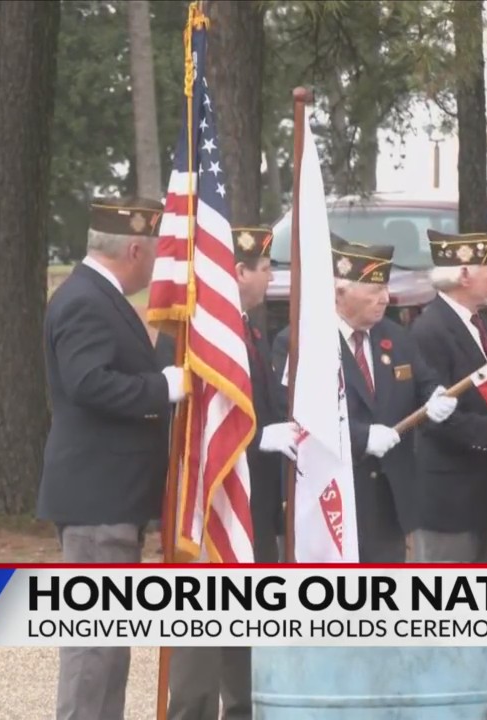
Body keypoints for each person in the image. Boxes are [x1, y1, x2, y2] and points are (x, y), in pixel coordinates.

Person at [37, 196, 184, 720]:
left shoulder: (99, 296)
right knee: (93, 644)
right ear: (136, 249)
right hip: (96, 497)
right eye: (155, 254)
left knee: (109, 642)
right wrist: (158, 388)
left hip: (109, 496)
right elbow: (87, 382)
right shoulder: (86, 300)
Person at [156, 226, 298, 720]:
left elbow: (261, 403)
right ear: (237, 271)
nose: (272, 276)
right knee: (200, 635)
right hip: (208, 502)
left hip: (250, 507)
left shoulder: (246, 329)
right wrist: (261, 438)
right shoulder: (197, 332)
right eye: (265, 267)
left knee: (245, 637)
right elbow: (196, 426)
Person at [271, 238, 458, 563]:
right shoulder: (301, 340)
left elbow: (423, 382)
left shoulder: (394, 337)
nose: (384, 299)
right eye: (372, 291)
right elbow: (296, 416)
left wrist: (436, 400)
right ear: (339, 293)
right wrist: (361, 437)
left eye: (384, 288)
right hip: (332, 497)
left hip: (388, 499)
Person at [407, 227, 487, 563]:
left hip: (484, 489)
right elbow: (434, 415)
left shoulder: (481, 324)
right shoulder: (430, 330)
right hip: (450, 497)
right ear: (464, 275)